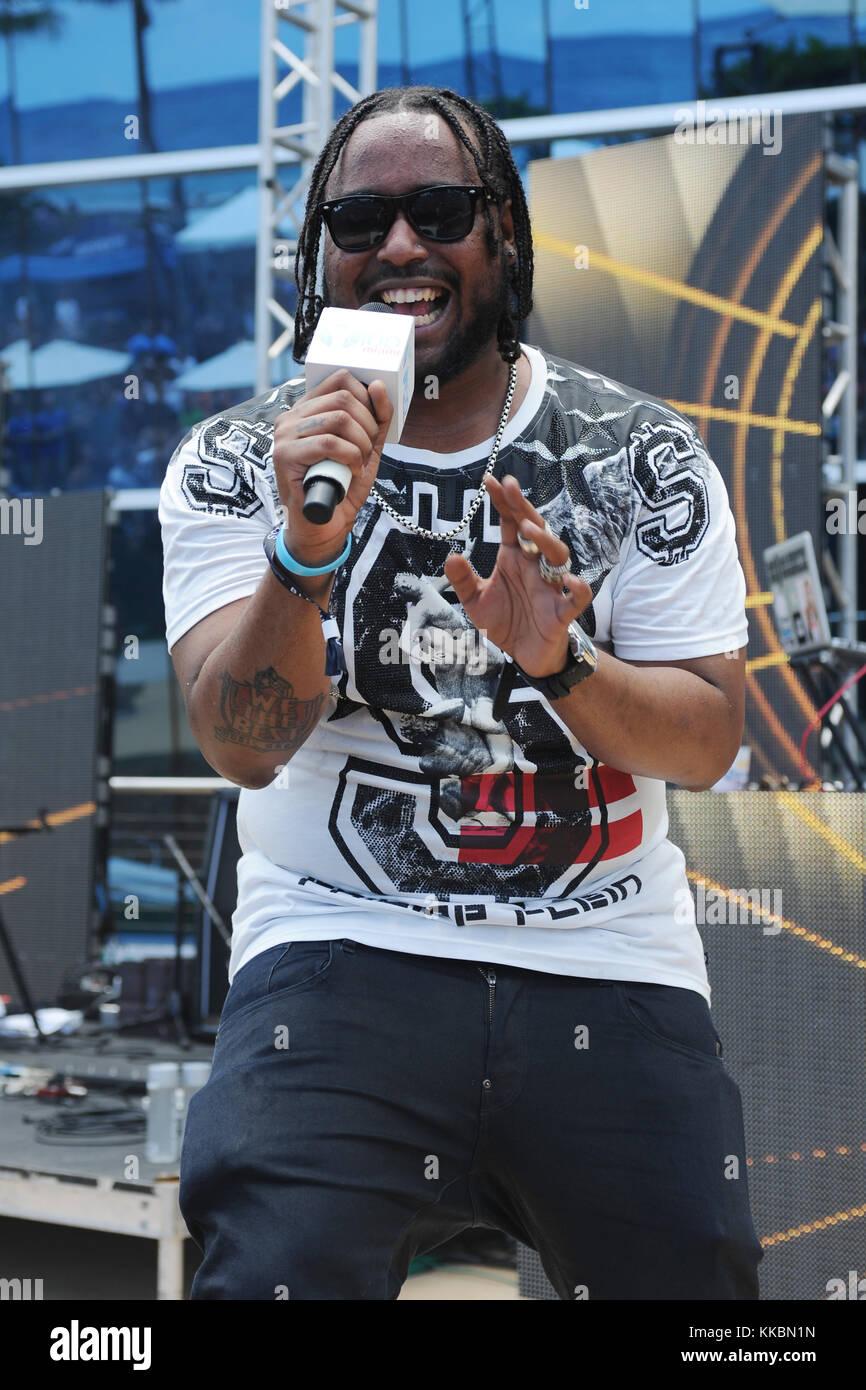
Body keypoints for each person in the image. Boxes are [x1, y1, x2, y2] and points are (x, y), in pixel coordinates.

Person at [159, 86, 762, 1301]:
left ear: (504, 241)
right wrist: (305, 551)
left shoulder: (636, 457)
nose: (396, 247)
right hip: (339, 949)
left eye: (439, 210)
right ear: (314, 254)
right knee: (269, 1273)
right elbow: (239, 742)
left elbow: (706, 743)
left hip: (602, 957)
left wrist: (564, 664)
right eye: (358, 218)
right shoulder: (239, 464)